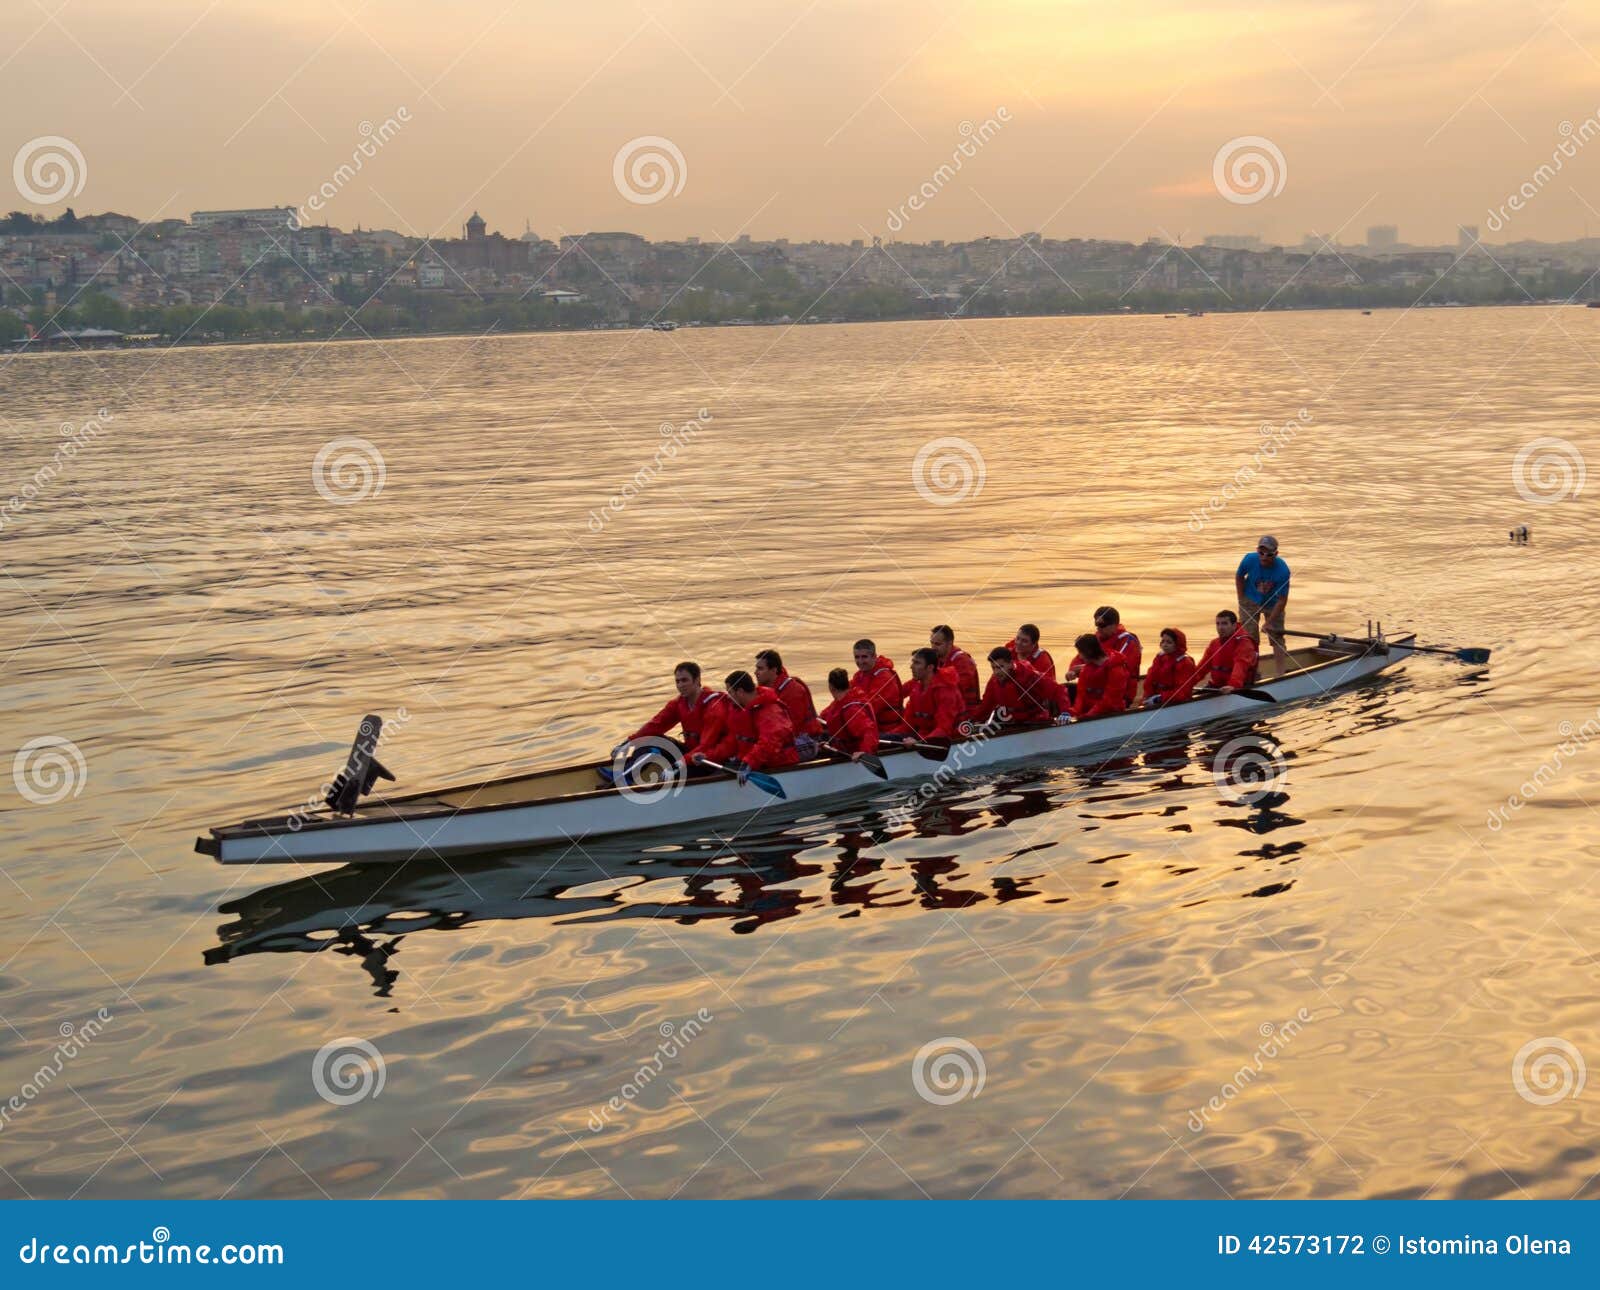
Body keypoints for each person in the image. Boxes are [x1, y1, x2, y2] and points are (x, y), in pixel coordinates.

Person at [617, 661, 729, 763]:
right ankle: (625, 772)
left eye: (684, 680)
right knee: (652, 740)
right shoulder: (678, 704)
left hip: (709, 758)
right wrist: (627, 743)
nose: (680, 685)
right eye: (677, 681)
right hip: (690, 753)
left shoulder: (714, 707)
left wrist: (682, 762)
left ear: (697, 680)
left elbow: (706, 745)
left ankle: (628, 778)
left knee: (679, 772)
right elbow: (654, 725)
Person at [696, 670, 800, 774]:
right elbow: (731, 743)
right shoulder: (742, 711)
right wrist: (708, 756)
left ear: (740, 692)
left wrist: (749, 763)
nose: (728, 696)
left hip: (776, 766)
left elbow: (769, 742)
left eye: (730, 692)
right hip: (751, 763)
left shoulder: (770, 710)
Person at [1236, 535, 1290, 677]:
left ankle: (1280, 674)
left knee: (1276, 636)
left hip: (1273, 603)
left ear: (1276, 554)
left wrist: (1270, 622)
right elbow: (1239, 576)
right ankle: (1253, 672)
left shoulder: (1283, 571)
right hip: (1250, 599)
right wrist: (1241, 598)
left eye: (1269, 554)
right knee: (1249, 637)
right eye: (1261, 553)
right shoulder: (1249, 559)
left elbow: (1282, 601)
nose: (1264, 557)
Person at [1067, 607, 1141, 707]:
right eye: (1096, 624)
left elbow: (1120, 667)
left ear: (1114, 625)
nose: (1098, 628)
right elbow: (1081, 655)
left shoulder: (1128, 641)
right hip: (1097, 690)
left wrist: (1085, 668)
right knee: (1068, 690)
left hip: (1120, 694)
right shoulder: (1097, 638)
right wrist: (1072, 670)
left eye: (1102, 625)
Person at [754, 648, 824, 750]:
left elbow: (792, 728)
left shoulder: (793, 691)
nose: (756, 672)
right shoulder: (765, 691)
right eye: (756, 668)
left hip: (806, 738)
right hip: (785, 736)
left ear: (774, 670)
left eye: (760, 669)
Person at [1182, 609, 1260, 697]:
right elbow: (1201, 669)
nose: (1220, 627)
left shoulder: (1244, 643)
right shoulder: (1214, 643)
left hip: (1237, 687)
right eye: (1218, 624)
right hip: (1216, 686)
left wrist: (1233, 685)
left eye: (1224, 623)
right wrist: (1185, 684)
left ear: (1234, 625)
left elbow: (1240, 666)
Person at [976, 646, 1060, 727]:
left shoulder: (1027, 675)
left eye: (1000, 667)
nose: (996, 672)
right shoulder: (994, 681)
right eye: (993, 668)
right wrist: (971, 721)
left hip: (1037, 722)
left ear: (1010, 664)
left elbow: (1058, 690)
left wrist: (1066, 712)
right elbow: (985, 707)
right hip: (1012, 722)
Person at [902, 646, 964, 743]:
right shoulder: (916, 688)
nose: (911, 666)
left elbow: (944, 729)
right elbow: (906, 726)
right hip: (924, 735)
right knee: (885, 738)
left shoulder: (945, 691)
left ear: (930, 667)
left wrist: (919, 742)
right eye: (913, 662)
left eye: (917, 663)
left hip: (949, 738)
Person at [850, 639, 909, 732]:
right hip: (869, 727)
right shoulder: (859, 675)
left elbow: (871, 707)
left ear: (874, 656)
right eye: (857, 657)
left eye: (864, 657)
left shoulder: (885, 678)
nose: (860, 661)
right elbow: (844, 696)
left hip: (888, 730)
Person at [820, 668, 879, 759]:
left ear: (831, 687)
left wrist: (864, 752)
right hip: (839, 744)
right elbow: (823, 716)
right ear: (848, 685)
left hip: (851, 750)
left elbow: (869, 731)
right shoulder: (840, 702)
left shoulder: (851, 708)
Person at [1070, 633, 1130, 719]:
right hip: (1091, 713)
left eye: (1080, 652)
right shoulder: (1087, 668)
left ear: (1089, 652)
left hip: (1110, 713)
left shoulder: (1116, 669)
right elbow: (1081, 696)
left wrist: (1088, 716)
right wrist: (1072, 713)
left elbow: (1110, 701)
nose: (1080, 656)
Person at [930, 624, 981, 716]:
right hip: (946, 709)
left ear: (949, 643)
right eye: (932, 643)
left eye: (937, 644)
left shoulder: (962, 661)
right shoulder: (937, 660)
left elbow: (957, 688)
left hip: (965, 712)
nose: (933, 647)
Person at [1142, 628, 1196, 706]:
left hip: (1173, 701)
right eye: (1163, 641)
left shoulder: (1186, 663)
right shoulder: (1160, 658)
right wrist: (1147, 696)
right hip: (1157, 698)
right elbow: (1150, 681)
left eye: (1169, 642)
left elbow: (1183, 692)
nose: (1164, 645)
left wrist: (1160, 698)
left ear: (1177, 644)